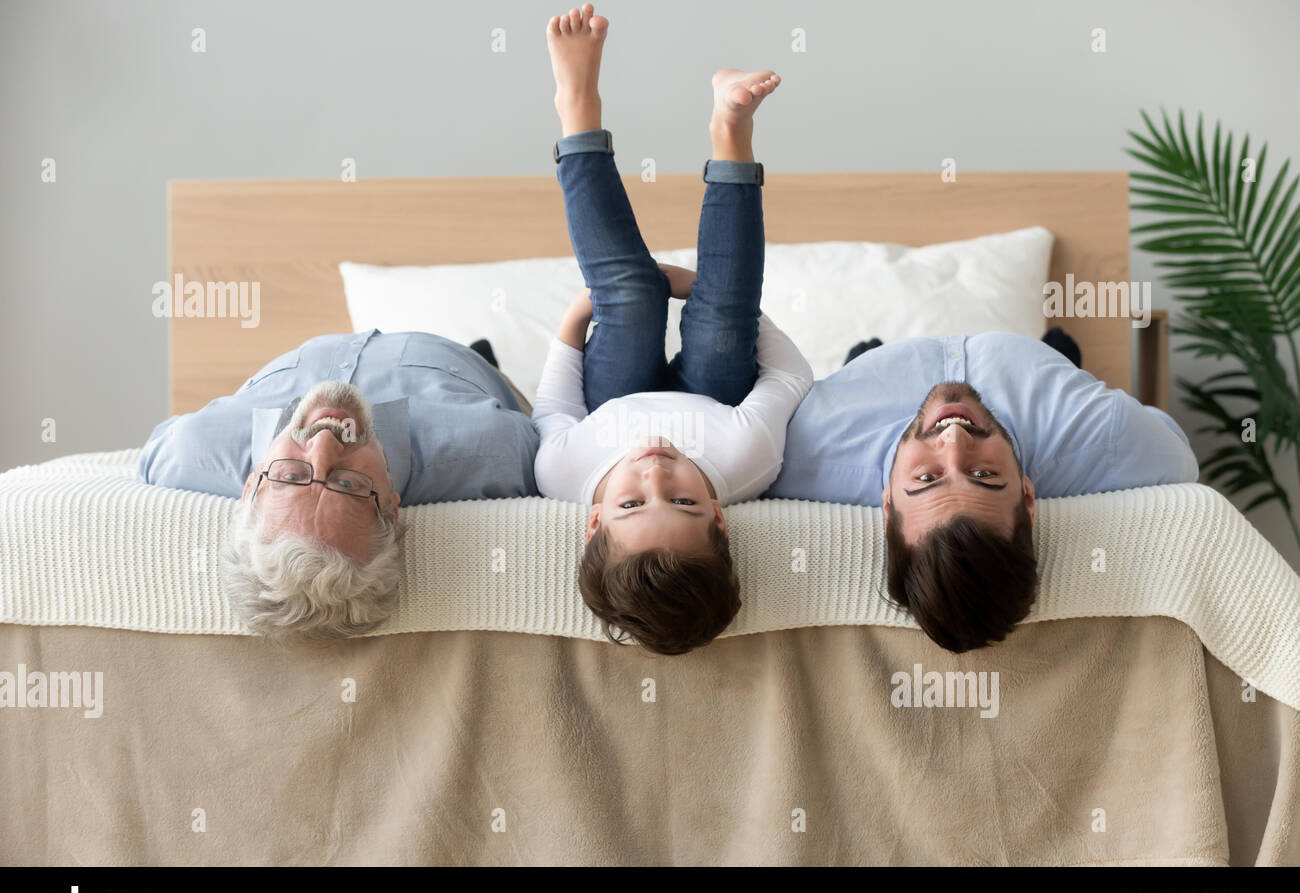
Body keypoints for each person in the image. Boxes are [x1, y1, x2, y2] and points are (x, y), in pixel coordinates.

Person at [531, 4, 813, 655]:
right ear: (719, 514)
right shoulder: (744, 460)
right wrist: (707, 293)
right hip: (714, 395)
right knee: (723, 326)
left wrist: (575, 320)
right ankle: (730, 126)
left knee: (630, 298)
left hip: (612, 393)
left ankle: (576, 104)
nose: (655, 472)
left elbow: (554, 404)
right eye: (683, 503)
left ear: (594, 520)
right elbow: (790, 375)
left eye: (632, 503)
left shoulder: (564, 474)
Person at [766, 332, 1199, 652]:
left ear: (885, 502)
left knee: (862, 355)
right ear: (1030, 498)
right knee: (1063, 349)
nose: (954, 439)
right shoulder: (1098, 431)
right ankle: (1062, 354)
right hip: (1030, 362)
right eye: (985, 474)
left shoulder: (799, 451)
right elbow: (1178, 454)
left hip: (868, 382)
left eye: (926, 479)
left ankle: (862, 359)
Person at [138, 331, 539, 642]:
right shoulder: (489, 450)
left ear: (250, 489)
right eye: (346, 483)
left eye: (291, 476)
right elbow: (543, 433)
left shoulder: (189, 453)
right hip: (449, 357)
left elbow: (153, 453)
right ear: (392, 506)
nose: (325, 444)